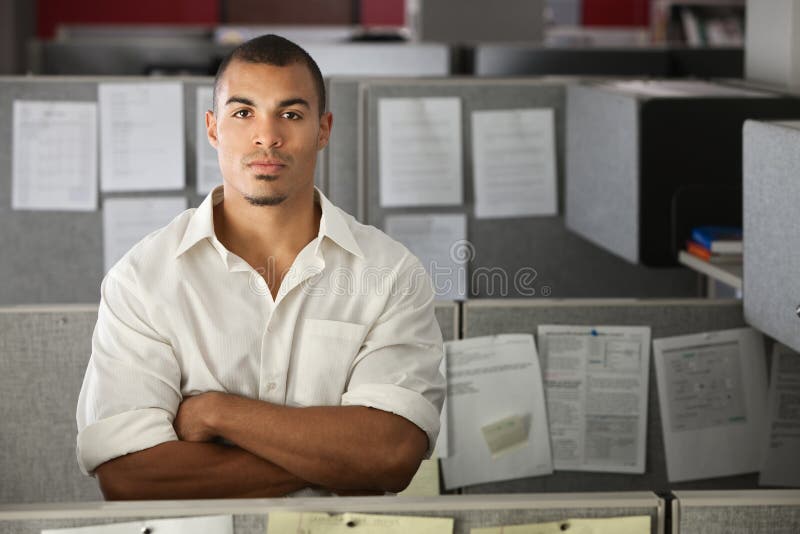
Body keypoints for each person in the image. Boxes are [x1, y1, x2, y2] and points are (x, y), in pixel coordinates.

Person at [76, 34, 445, 499]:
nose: (267, 136)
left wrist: (216, 412)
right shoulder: (142, 280)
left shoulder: (390, 273)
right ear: (213, 128)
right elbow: (129, 476)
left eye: (290, 115)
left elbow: (391, 455)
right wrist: (342, 461)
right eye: (243, 112)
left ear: (324, 129)